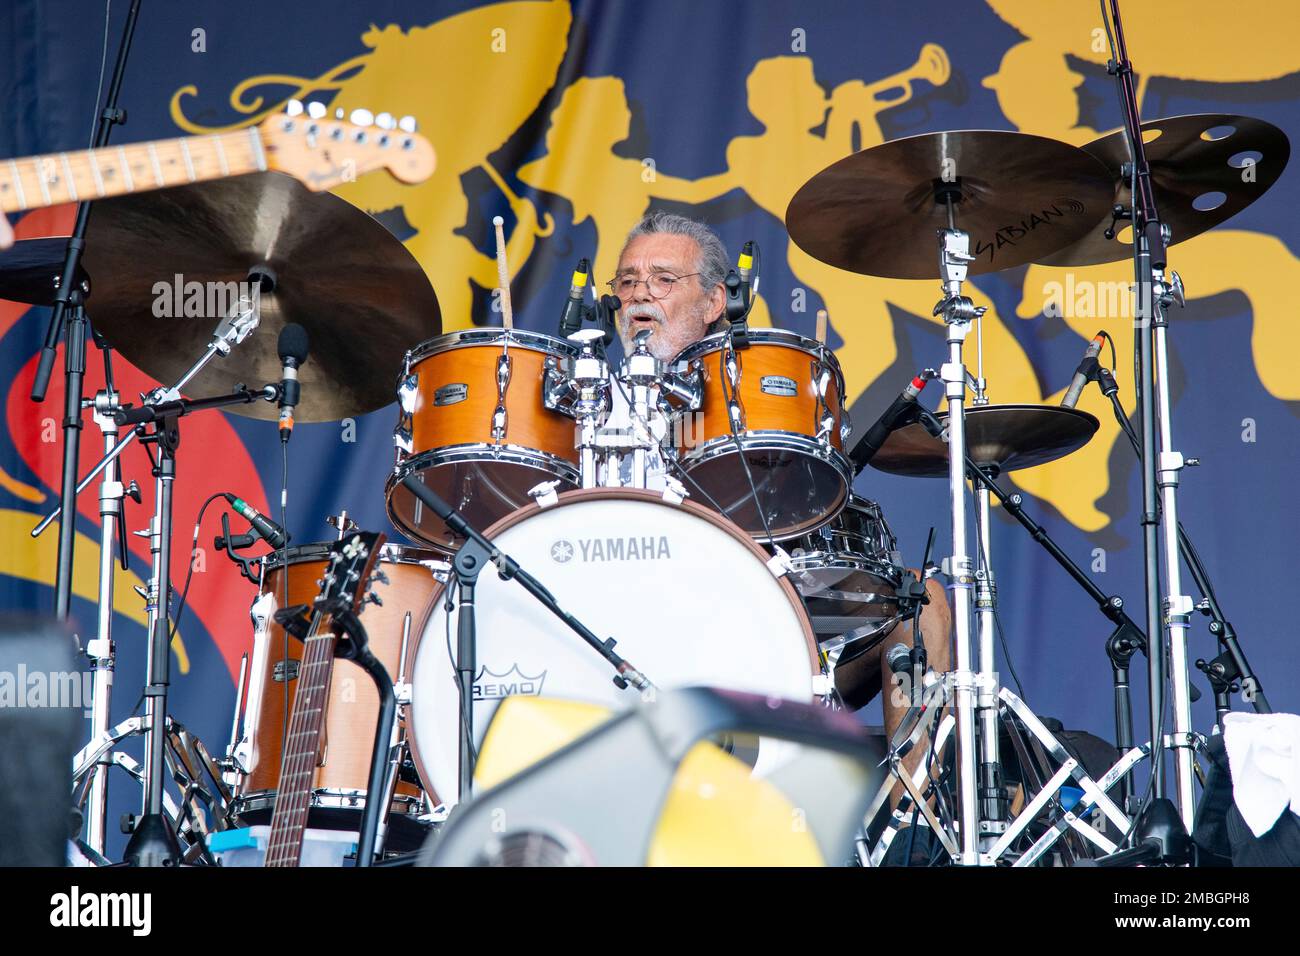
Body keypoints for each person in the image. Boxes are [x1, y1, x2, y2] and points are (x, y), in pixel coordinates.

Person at [608, 212, 953, 802]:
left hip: (772, 634)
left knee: (920, 601)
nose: (640, 292)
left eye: (663, 278)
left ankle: (907, 819)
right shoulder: (584, 401)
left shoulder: (760, 397)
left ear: (716, 300)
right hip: (625, 644)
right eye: (627, 280)